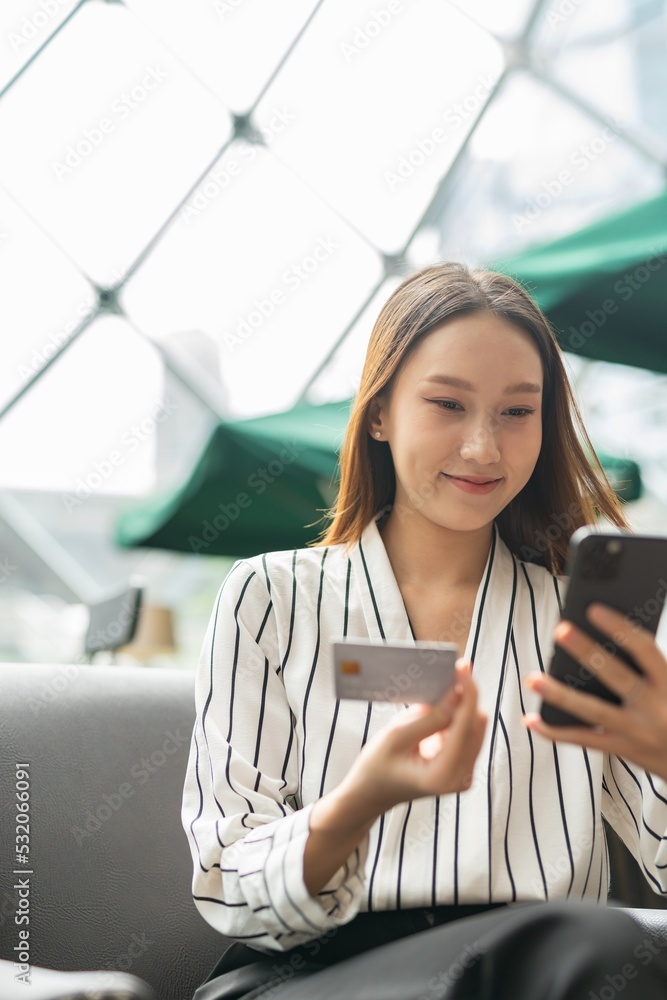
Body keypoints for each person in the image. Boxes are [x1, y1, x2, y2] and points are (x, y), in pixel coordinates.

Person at [182, 262, 667, 1000]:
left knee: (598, 948)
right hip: (316, 976)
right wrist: (359, 803)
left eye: (515, 412)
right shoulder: (269, 598)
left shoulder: (575, 622)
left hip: (548, 964)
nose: (483, 448)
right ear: (378, 413)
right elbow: (227, 879)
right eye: (446, 404)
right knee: (596, 945)